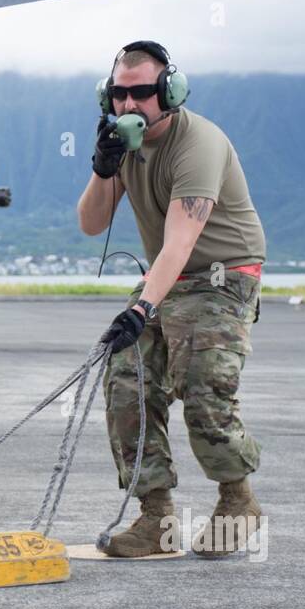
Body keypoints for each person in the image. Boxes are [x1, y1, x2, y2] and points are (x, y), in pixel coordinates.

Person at [76, 41, 267, 557]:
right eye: (119, 94)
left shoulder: (198, 144)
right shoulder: (123, 147)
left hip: (221, 276)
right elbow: (92, 224)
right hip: (168, 275)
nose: (129, 105)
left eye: (141, 93)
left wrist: (141, 308)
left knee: (202, 383)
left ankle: (237, 499)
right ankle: (155, 520)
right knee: (126, 378)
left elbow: (181, 242)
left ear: (169, 93)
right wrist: (103, 167)